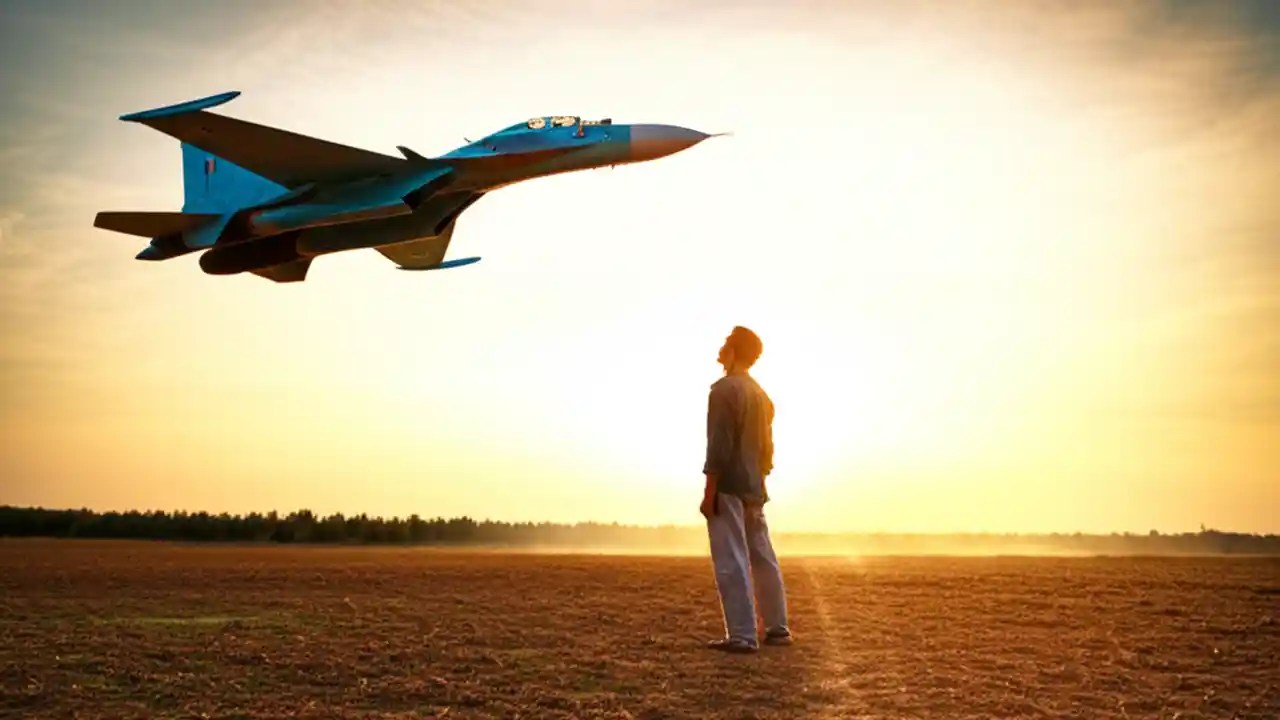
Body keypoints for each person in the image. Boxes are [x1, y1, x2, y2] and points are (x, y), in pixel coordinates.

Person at [701, 326, 792, 653]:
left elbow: (719, 446)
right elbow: (768, 451)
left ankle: (741, 634)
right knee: (763, 557)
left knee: (732, 559)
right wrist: (761, 481)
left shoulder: (724, 390)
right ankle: (777, 627)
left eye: (726, 343)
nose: (721, 347)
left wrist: (710, 489)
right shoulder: (762, 396)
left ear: (735, 351)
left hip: (730, 485)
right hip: (755, 486)